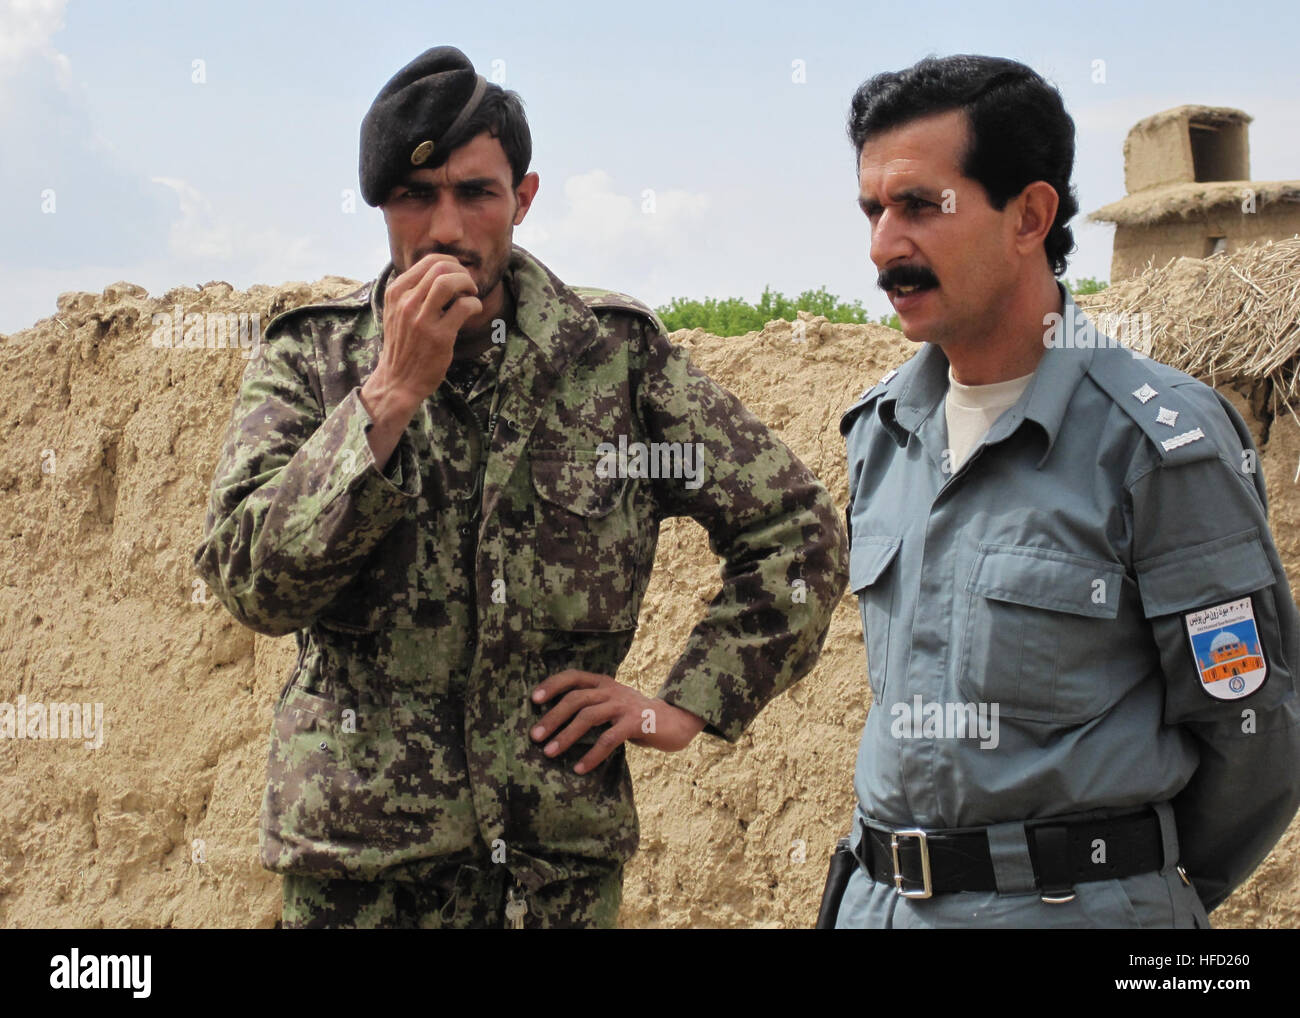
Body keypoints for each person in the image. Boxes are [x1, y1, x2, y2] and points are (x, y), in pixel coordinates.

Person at [193, 45, 848, 929]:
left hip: (554, 880)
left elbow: (793, 529)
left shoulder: (615, 358)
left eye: (477, 193)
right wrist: (387, 399)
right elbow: (250, 584)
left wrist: (685, 704)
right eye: (416, 197)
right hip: (361, 873)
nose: (449, 229)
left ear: (524, 198)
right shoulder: (312, 358)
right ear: (382, 207)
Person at [835, 54, 1300, 928]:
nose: (883, 247)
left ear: (1031, 215)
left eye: (920, 207)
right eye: (873, 210)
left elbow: (1254, 734)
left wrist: (1125, 890)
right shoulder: (882, 434)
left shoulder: (1158, 443)